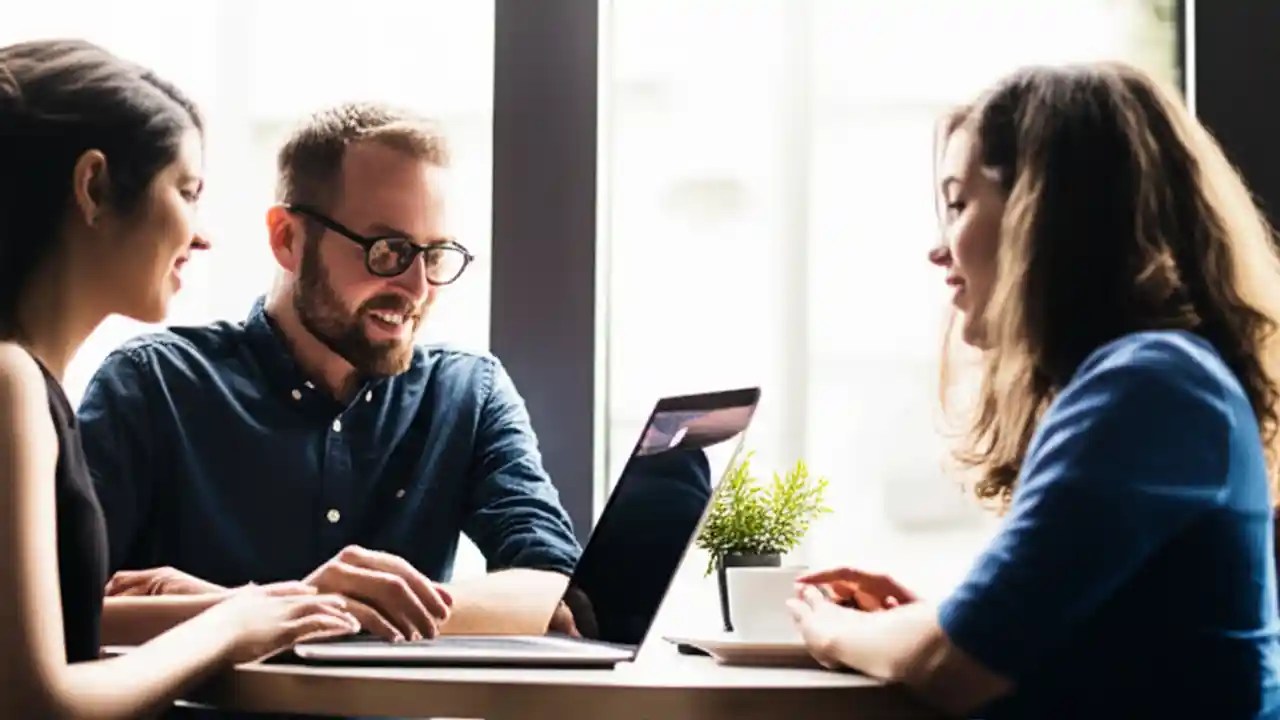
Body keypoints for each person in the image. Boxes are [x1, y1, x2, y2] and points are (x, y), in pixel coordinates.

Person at [788, 62, 1280, 719]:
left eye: (959, 204)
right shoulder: (1158, 381)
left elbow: (956, 666)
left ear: (1040, 213)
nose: (940, 250)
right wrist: (936, 622)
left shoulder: (1149, 387)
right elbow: (1074, 654)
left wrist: (838, 632)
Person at [78, 101, 583, 645]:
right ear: (287, 239)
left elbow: (552, 591)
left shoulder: (468, 391)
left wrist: (300, 609)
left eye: (434, 255)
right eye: (387, 251)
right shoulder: (152, 384)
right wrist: (316, 607)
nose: (417, 289)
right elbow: (60, 615)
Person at [0, 39, 360, 719]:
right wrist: (227, 629)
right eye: (187, 193)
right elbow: (33, 698)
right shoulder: (10, 383)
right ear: (94, 187)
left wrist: (247, 605)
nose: (203, 236)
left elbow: (37, 640)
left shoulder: (29, 386)